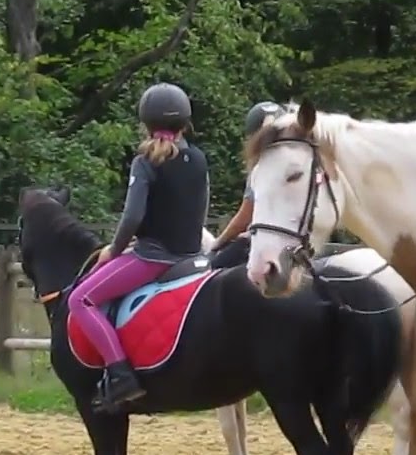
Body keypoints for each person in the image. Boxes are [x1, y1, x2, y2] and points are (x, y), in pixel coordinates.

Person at [67, 82, 209, 413]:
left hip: (153, 258)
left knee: (80, 299)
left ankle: (120, 374)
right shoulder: (199, 159)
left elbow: (132, 216)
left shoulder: (145, 161)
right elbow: (198, 209)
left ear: (145, 122)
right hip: (191, 256)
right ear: (185, 122)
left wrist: (114, 250)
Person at [206, 100, 282, 261]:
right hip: (295, 242)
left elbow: (244, 217)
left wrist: (218, 243)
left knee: (211, 268)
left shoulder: (262, 169)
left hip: (264, 240)